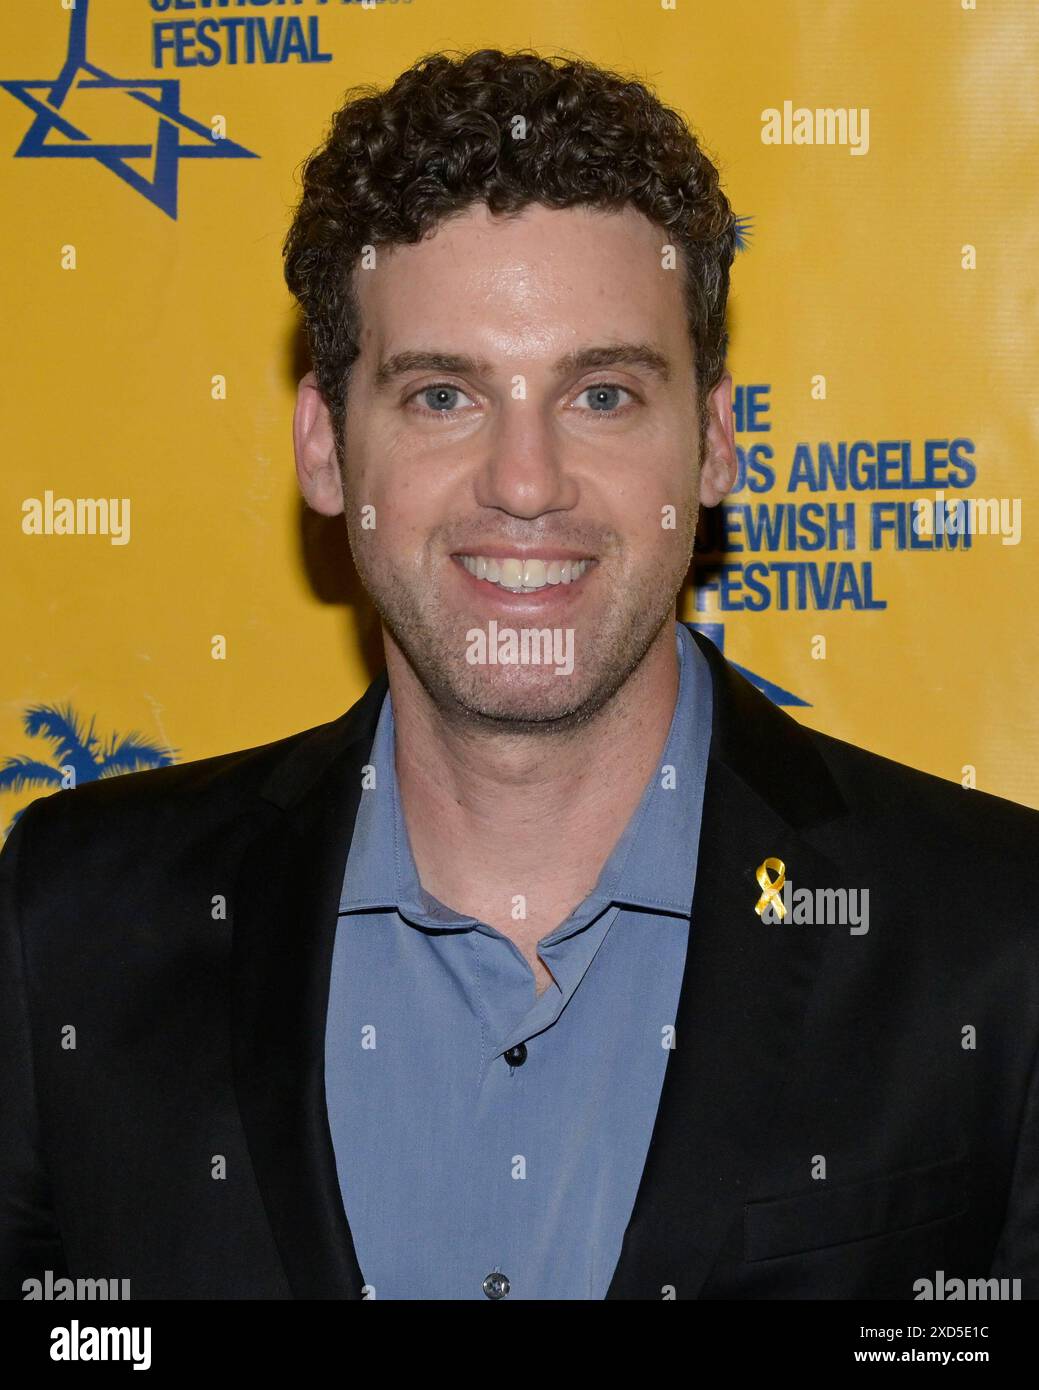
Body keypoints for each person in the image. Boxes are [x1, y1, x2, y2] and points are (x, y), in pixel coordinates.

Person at [2, 48, 1037, 1302]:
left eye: (601, 393)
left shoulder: (993, 937)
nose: (527, 482)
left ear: (712, 444)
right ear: (326, 449)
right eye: (443, 394)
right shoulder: (74, 930)